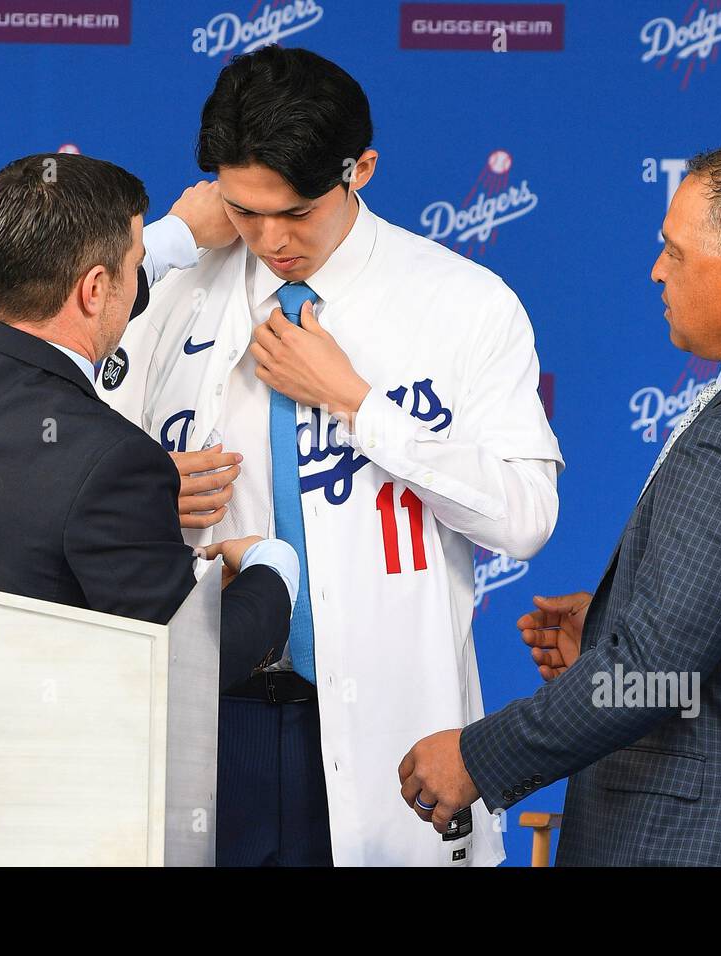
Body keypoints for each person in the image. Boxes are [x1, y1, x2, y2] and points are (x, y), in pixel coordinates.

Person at [103, 47, 563, 866]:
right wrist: (138, 491)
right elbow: (53, 456)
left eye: (297, 212)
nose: (272, 241)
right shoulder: (167, 294)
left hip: (391, 729)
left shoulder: (462, 303)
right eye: (245, 212)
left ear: (362, 170)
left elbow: (524, 520)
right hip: (207, 715)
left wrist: (359, 406)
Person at [399, 143, 721, 866]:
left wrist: (478, 757)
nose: (657, 270)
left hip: (711, 844)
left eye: (674, 250)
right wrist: (608, 624)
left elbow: (649, 674)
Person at [0, 152, 298, 690]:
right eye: (136, 259)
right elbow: (190, 664)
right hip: (51, 752)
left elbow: (32, 472)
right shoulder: (116, 463)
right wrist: (271, 563)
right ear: (95, 289)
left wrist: (176, 237)